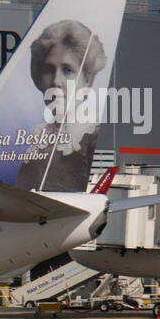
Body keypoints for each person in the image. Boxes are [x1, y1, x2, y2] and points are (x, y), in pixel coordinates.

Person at [15, 19, 108, 193]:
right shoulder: (39, 136)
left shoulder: (92, 135)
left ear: (87, 79)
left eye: (67, 70)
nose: (56, 81)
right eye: (48, 70)